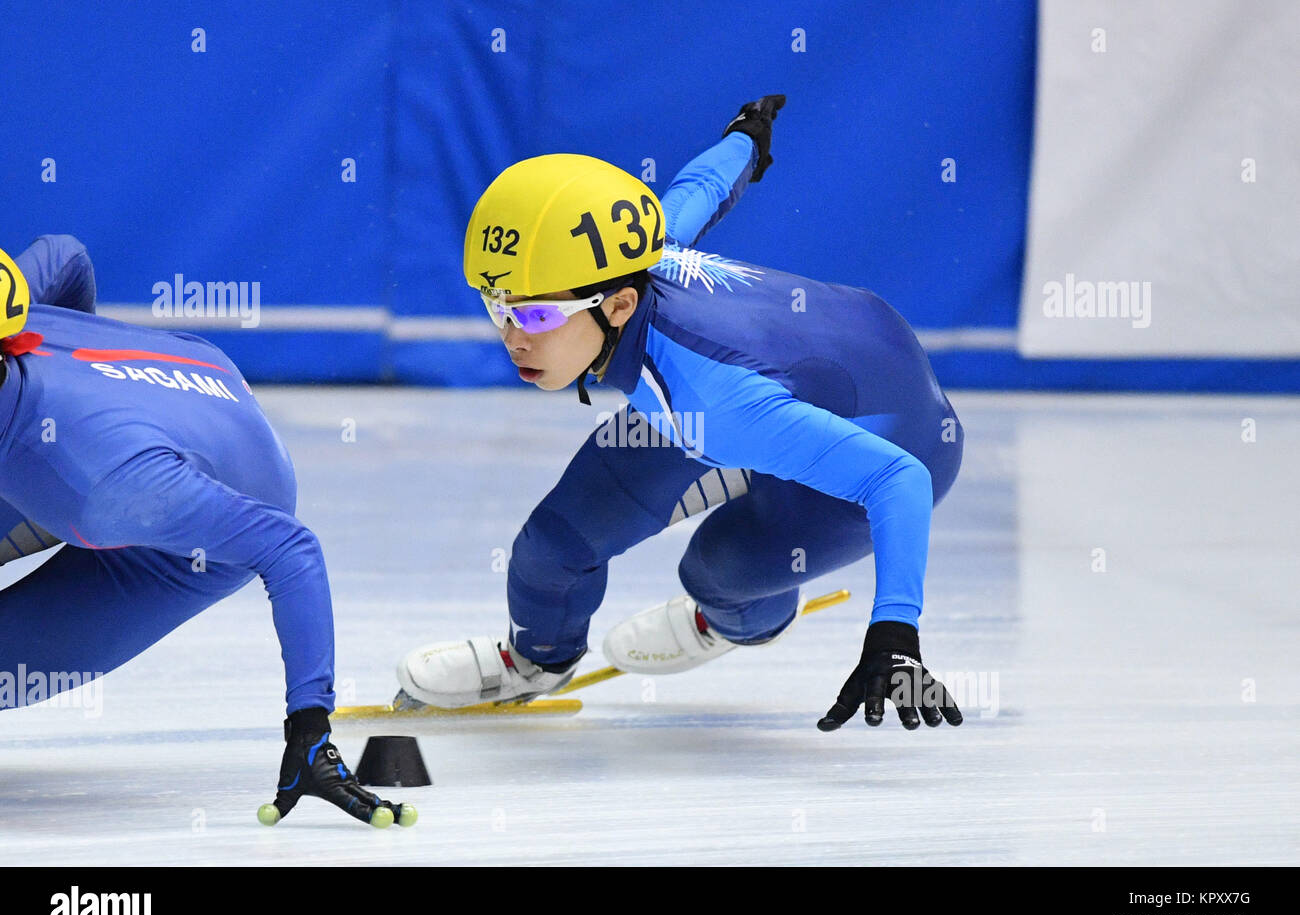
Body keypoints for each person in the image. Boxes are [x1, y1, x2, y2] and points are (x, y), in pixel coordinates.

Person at [399, 97, 965, 732]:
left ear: (616, 307)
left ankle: (736, 615)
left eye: (534, 315)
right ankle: (534, 662)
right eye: (497, 309)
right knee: (553, 549)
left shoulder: (714, 400)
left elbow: (898, 479)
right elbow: (702, 187)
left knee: (718, 569)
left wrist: (895, 633)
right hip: (786, 388)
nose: (513, 338)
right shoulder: (634, 253)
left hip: (895, 438)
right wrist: (747, 137)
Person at [0, 237, 415, 826]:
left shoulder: (99, 483)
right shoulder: (14, 304)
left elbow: (290, 547)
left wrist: (310, 731)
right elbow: (65, 255)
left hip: (166, 528)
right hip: (165, 394)